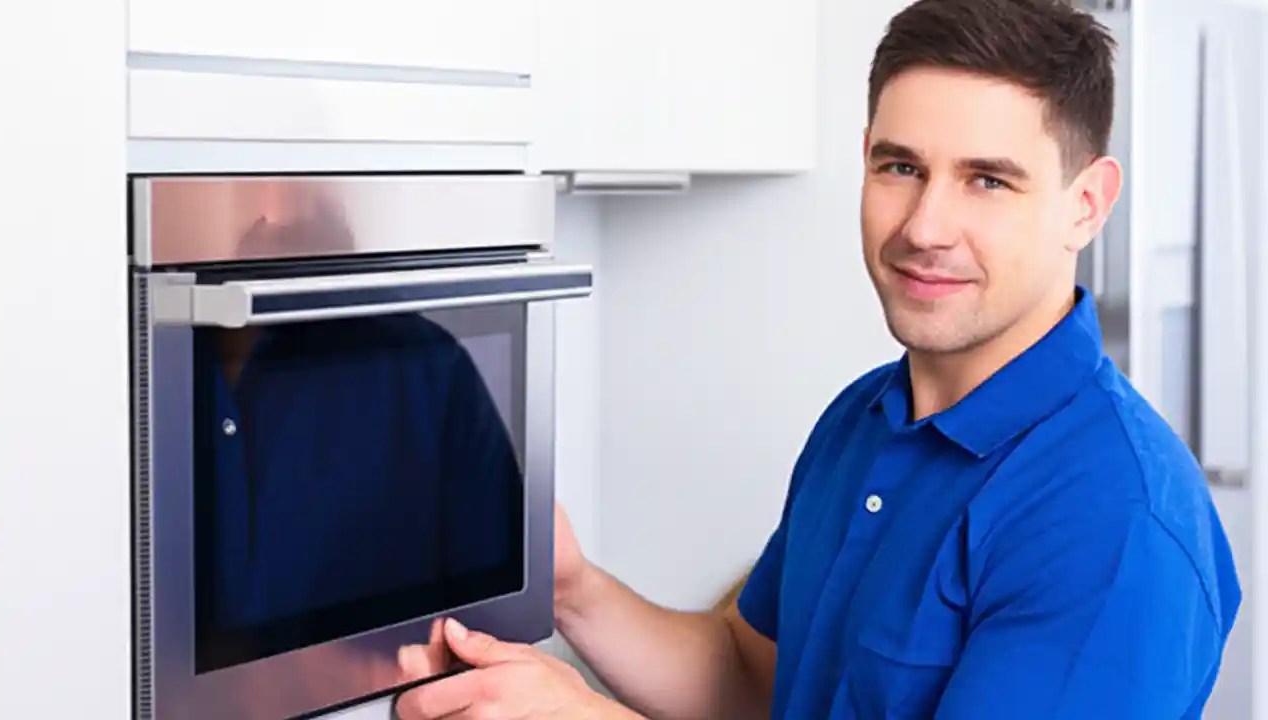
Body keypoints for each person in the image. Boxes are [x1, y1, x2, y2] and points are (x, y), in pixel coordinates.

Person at [395, 0, 1242, 717]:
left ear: (1086, 205)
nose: (924, 226)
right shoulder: (866, 419)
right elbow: (751, 675)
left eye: (989, 180)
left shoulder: (1115, 521)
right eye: (901, 166)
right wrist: (574, 588)